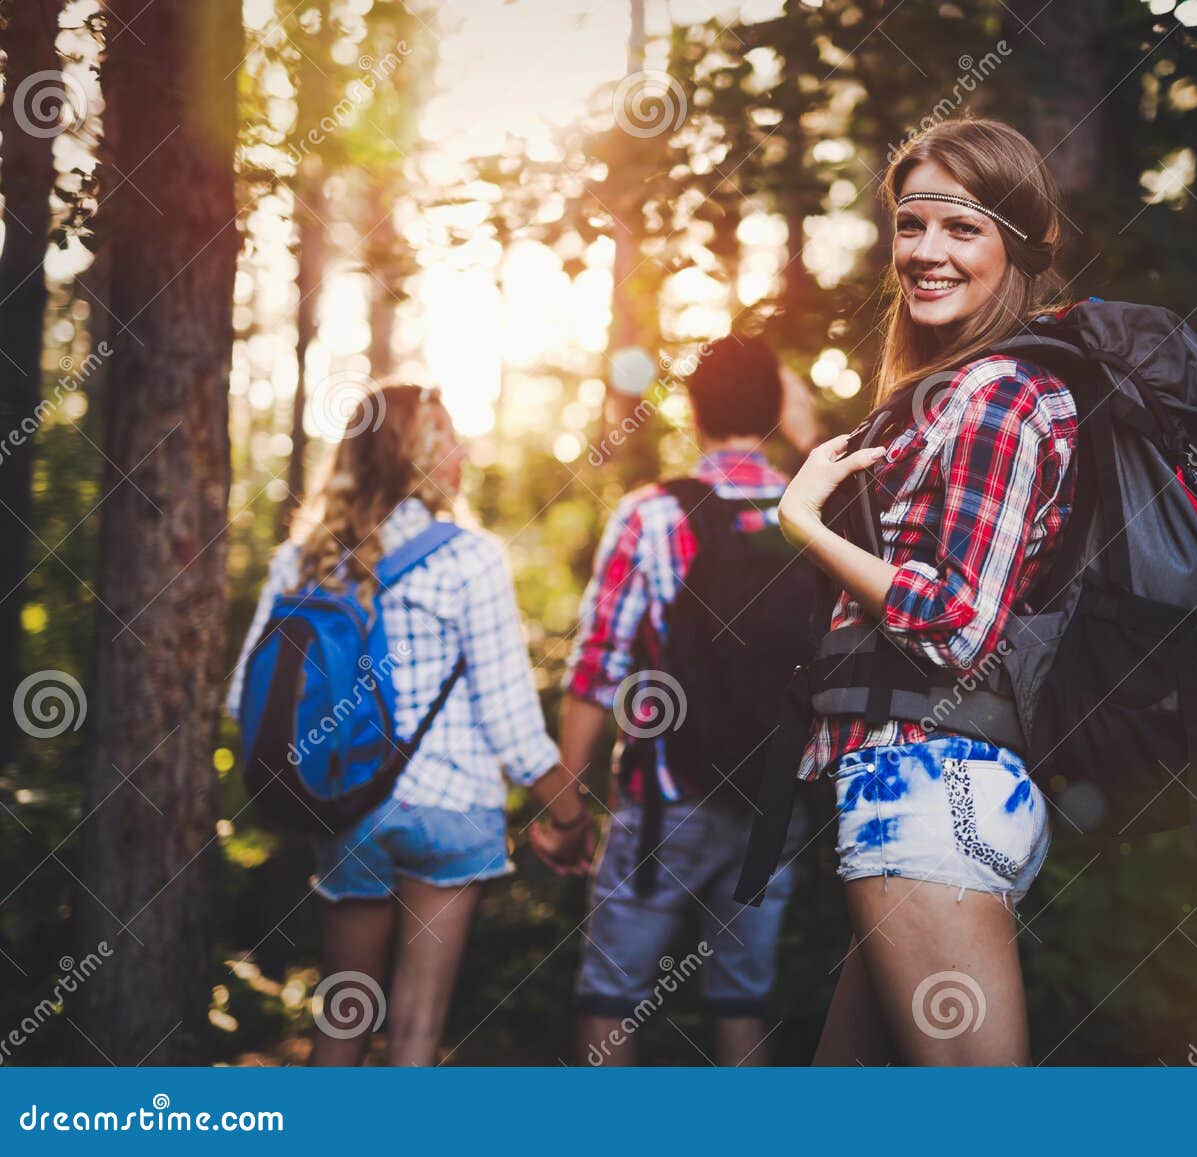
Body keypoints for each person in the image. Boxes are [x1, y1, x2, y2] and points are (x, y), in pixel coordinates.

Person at [776, 119, 1077, 1065]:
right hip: (920, 789)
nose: (926, 251)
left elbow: (956, 624)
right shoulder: (947, 394)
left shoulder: (998, 394)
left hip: (929, 788)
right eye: (912, 224)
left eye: (963, 227)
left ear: (1014, 246)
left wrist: (805, 525)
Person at [227, 384, 592, 1066]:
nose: (462, 449)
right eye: (445, 435)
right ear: (414, 455)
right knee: (417, 1032)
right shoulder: (469, 557)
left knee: (341, 1023)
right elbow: (513, 726)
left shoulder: (302, 559)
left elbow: (241, 701)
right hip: (452, 808)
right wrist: (570, 819)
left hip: (350, 806)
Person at [559, 335, 815, 1066]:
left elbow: (598, 666)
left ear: (695, 413)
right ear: (776, 410)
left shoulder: (652, 513)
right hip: (774, 799)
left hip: (666, 798)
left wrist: (564, 803)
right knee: (741, 1000)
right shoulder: (813, 513)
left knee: (609, 998)